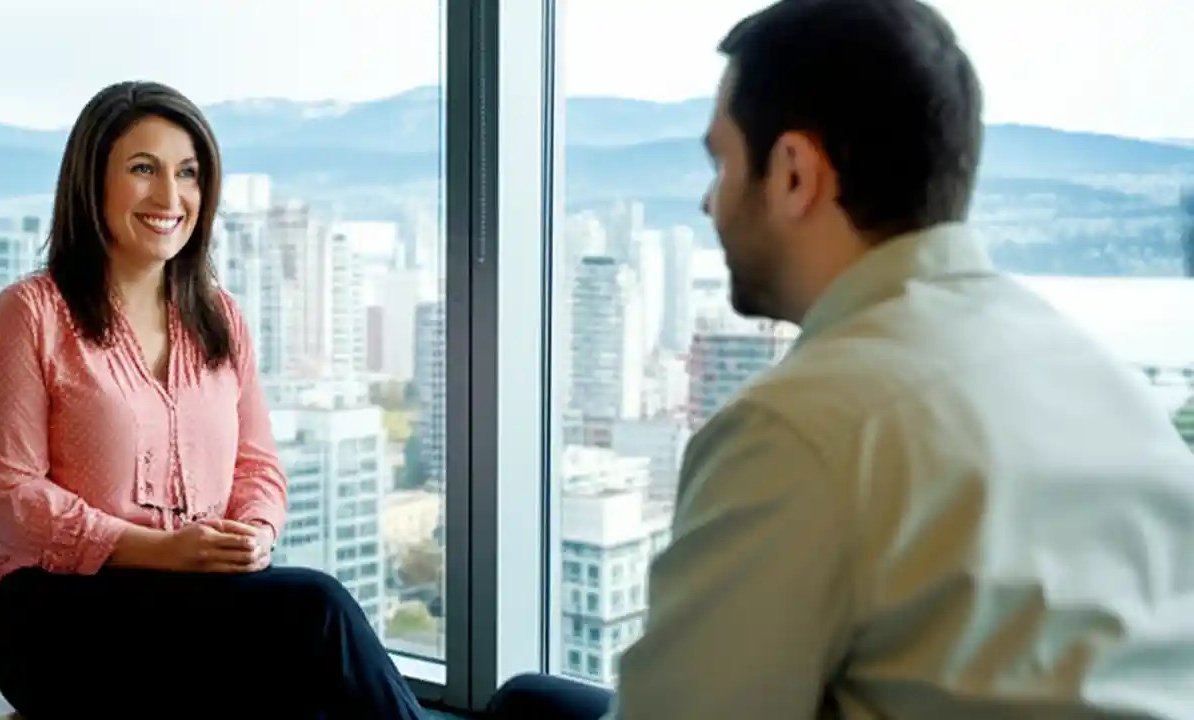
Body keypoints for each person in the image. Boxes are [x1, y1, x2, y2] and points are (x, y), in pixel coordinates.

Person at [489, 0, 1194, 718]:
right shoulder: (1105, 383)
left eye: (722, 162)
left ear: (794, 173)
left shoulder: (801, 430)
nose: (708, 203)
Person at [0, 80, 425, 720]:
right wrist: (156, 549)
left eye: (188, 173)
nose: (169, 196)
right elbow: (9, 496)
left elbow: (258, 467)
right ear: (90, 182)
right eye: (143, 169)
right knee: (315, 612)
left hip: (191, 599)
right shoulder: (28, 317)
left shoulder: (219, 317)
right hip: (59, 614)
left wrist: (253, 535)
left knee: (306, 693)